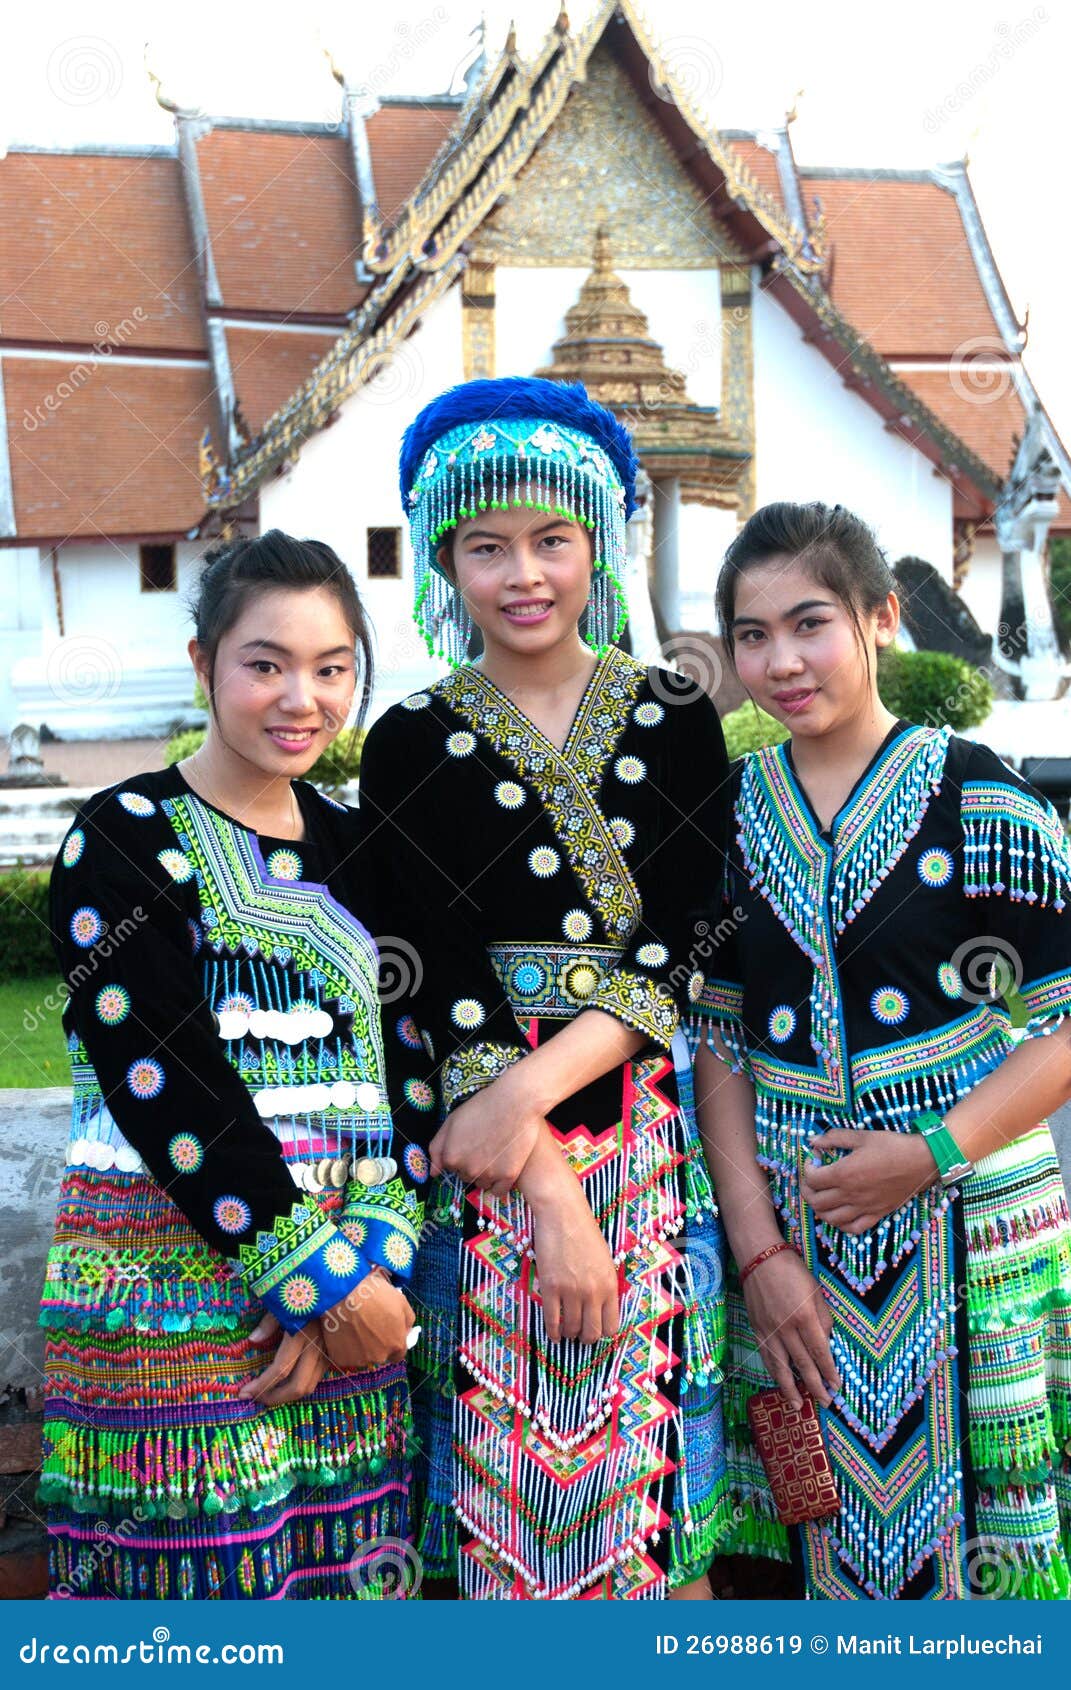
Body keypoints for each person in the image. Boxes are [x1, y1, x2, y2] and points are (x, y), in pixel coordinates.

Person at [359, 376, 732, 1601]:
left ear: (598, 545)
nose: (523, 574)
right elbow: (431, 964)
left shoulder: (676, 714)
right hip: (486, 1160)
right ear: (442, 560)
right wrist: (546, 1183)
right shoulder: (410, 739)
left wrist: (525, 1096)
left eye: (553, 541)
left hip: (642, 1133)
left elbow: (687, 934)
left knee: (651, 1484)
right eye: (486, 547)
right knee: (493, 1490)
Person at [692, 500, 1071, 1600]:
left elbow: (1060, 1024)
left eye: (809, 623)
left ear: (881, 618)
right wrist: (758, 1255)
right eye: (751, 636)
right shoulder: (726, 814)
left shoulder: (980, 798)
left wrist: (932, 1152)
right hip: (792, 1247)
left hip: (969, 1229)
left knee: (985, 1562)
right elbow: (718, 1044)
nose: (781, 661)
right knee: (799, 1531)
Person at [41, 531, 425, 1600]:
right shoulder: (121, 839)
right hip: (171, 1296)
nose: (301, 696)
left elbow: (413, 1070)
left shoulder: (361, 847)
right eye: (266, 662)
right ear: (204, 660)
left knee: (348, 1597)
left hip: (353, 1318)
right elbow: (162, 1074)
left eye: (332, 666)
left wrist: (372, 1261)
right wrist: (318, 1282)